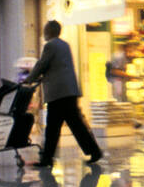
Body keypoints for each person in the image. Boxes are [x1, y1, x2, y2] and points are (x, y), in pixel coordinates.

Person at [23, 20, 103, 167]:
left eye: (45, 30)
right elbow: (55, 66)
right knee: (74, 124)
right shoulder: (64, 44)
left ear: (50, 31)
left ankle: (48, 158)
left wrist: (29, 79)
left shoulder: (50, 45)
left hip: (58, 93)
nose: (43, 32)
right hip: (69, 91)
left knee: (54, 127)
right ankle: (93, 151)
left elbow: (42, 64)